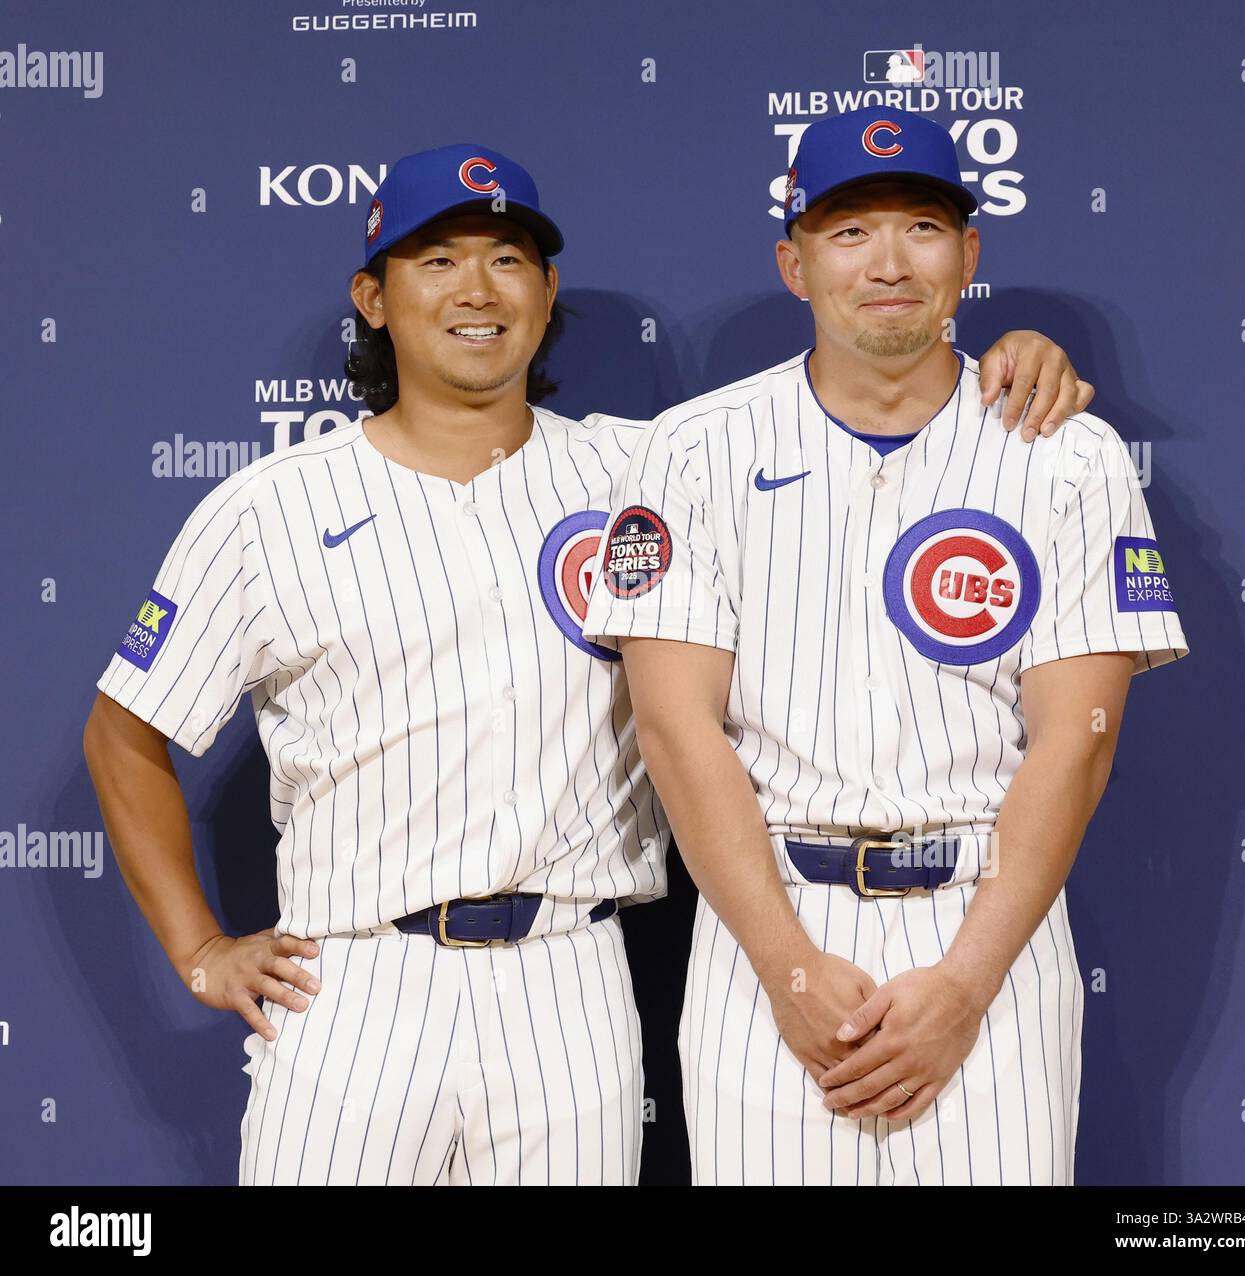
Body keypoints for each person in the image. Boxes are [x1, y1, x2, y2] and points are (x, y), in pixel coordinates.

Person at [83, 138, 1095, 1186]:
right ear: (372, 297)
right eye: (437, 259)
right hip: (351, 979)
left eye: (509, 258)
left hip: (569, 973)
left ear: (548, 288)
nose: (478, 289)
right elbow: (123, 732)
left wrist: (1008, 356)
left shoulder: (637, 468)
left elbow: (836, 421)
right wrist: (201, 949)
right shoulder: (268, 508)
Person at [581, 104, 1188, 1186]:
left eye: (920, 224)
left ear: (968, 254)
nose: (888, 260)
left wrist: (962, 985)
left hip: (987, 927)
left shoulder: (1068, 458)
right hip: (767, 925)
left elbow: (1076, 742)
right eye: (849, 230)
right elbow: (675, 726)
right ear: (794, 261)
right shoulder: (694, 449)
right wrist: (789, 969)